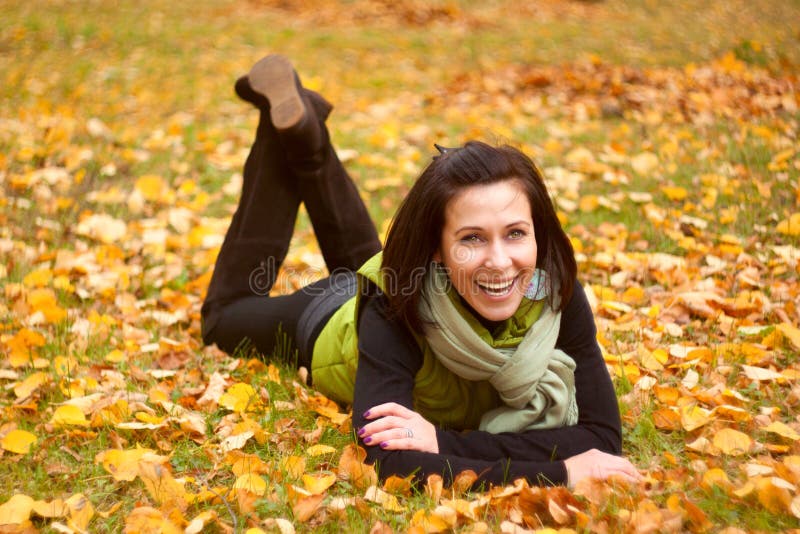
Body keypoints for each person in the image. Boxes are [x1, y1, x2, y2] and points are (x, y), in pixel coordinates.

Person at [201, 54, 641, 489]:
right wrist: (559, 471)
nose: (500, 262)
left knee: (374, 268)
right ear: (436, 249)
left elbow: (601, 438)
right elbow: (391, 464)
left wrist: (441, 441)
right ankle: (284, 136)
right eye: (472, 238)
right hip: (326, 320)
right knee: (222, 317)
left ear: (538, 235)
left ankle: (306, 136)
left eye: (515, 234)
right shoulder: (392, 307)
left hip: (401, 281)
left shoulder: (556, 290)